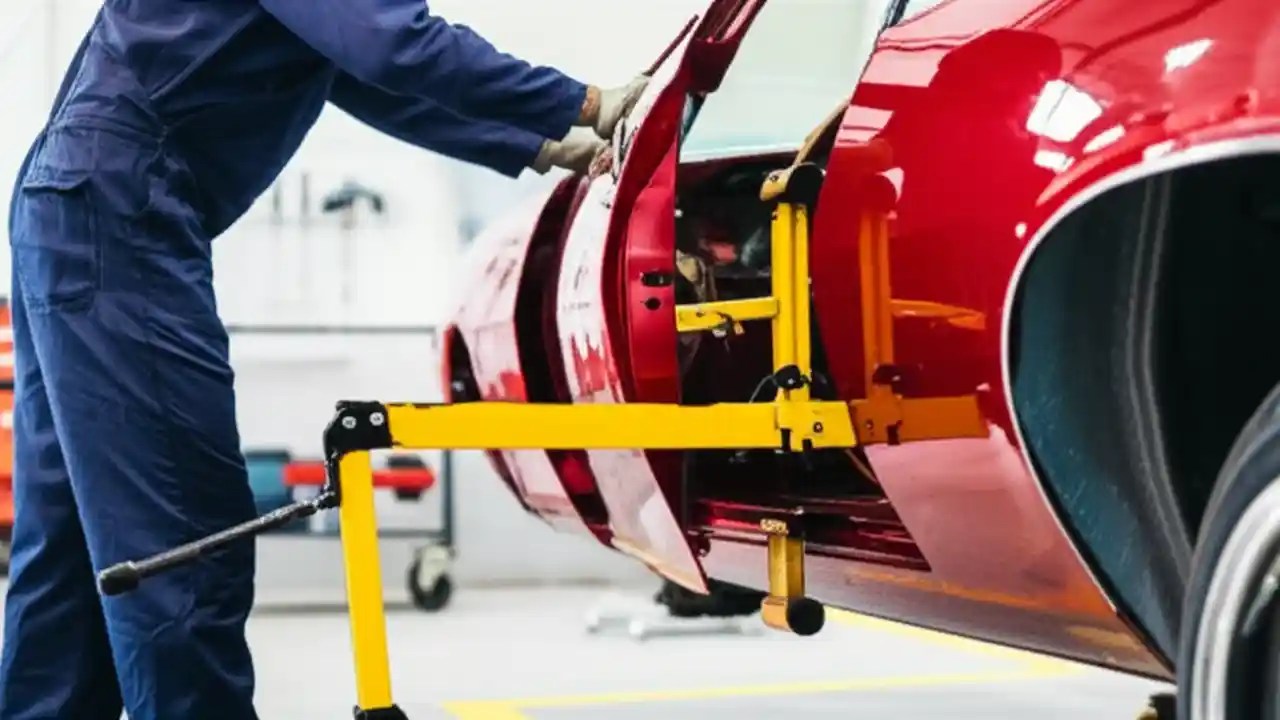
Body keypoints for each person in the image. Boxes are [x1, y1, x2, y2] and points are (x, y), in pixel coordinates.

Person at [0, 2, 648, 719]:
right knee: (181, 540)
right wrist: (585, 102)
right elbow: (393, 45)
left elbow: (362, 72)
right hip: (121, 212)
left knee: (67, 550)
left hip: (71, 204)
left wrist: (539, 143)